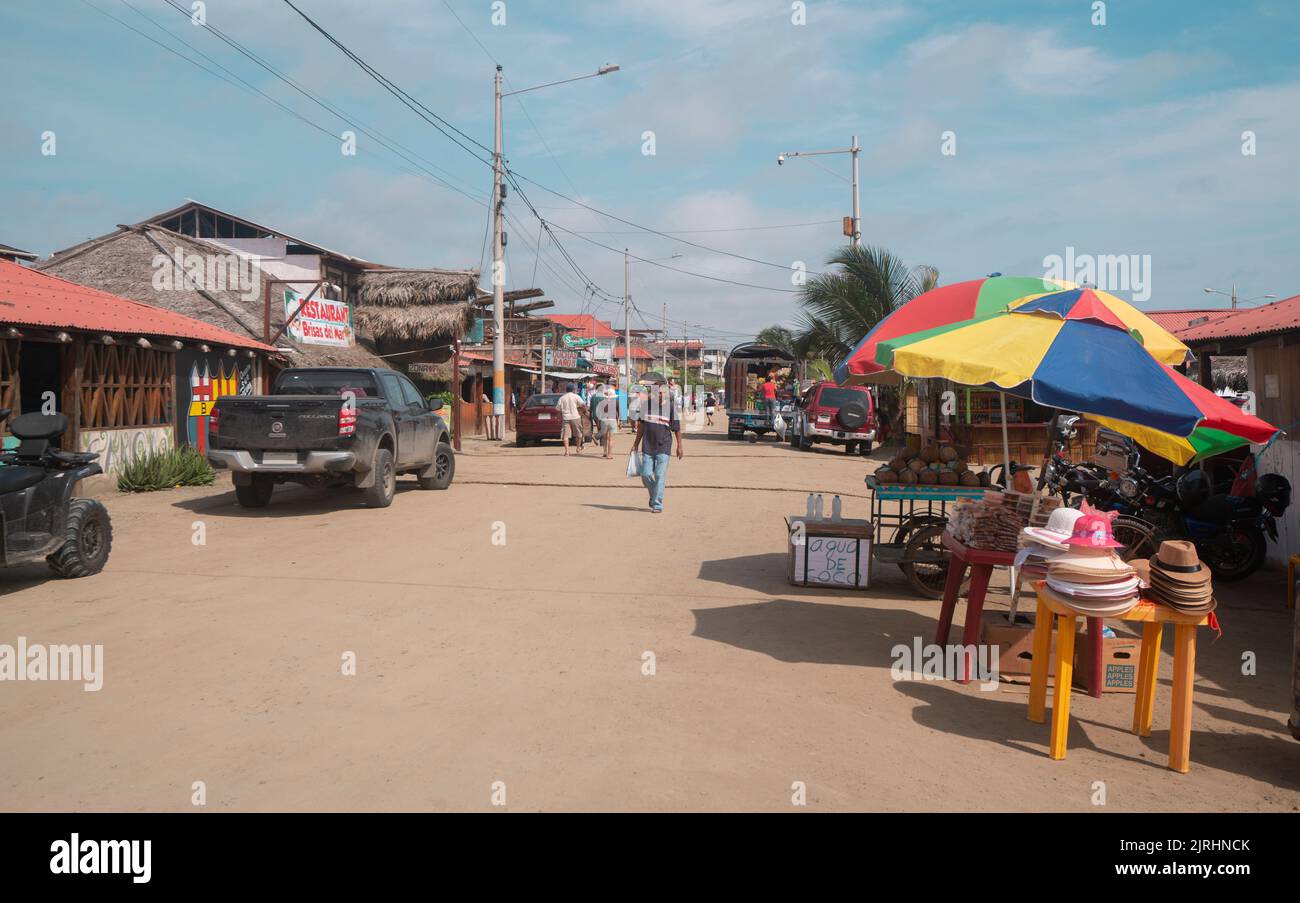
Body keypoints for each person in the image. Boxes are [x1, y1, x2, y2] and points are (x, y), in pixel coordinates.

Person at [631, 385, 683, 513]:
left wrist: (679, 446)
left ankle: (657, 504)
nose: (659, 395)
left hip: (664, 446)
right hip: (648, 446)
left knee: (659, 475)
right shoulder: (646, 406)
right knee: (645, 474)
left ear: (665, 394)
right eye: (657, 393)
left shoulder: (670, 408)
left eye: (661, 393)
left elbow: (677, 429)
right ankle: (655, 495)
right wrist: (636, 444)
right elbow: (641, 427)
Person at [556, 382, 587, 456]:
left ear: (566, 390)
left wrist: (558, 418)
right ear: (573, 389)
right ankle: (578, 448)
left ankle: (567, 452)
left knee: (565, 435)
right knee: (579, 433)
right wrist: (585, 411)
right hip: (575, 417)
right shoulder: (576, 396)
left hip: (566, 418)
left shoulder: (562, 398)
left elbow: (558, 409)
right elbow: (583, 404)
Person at [590, 383, 618, 458]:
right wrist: (619, 422)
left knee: (605, 438)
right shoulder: (616, 401)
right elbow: (618, 412)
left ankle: (605, 452)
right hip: (612, 420)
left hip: (604, 420)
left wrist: (599, 422)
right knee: (610, 439)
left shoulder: (602, 402)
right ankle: (609, 454)